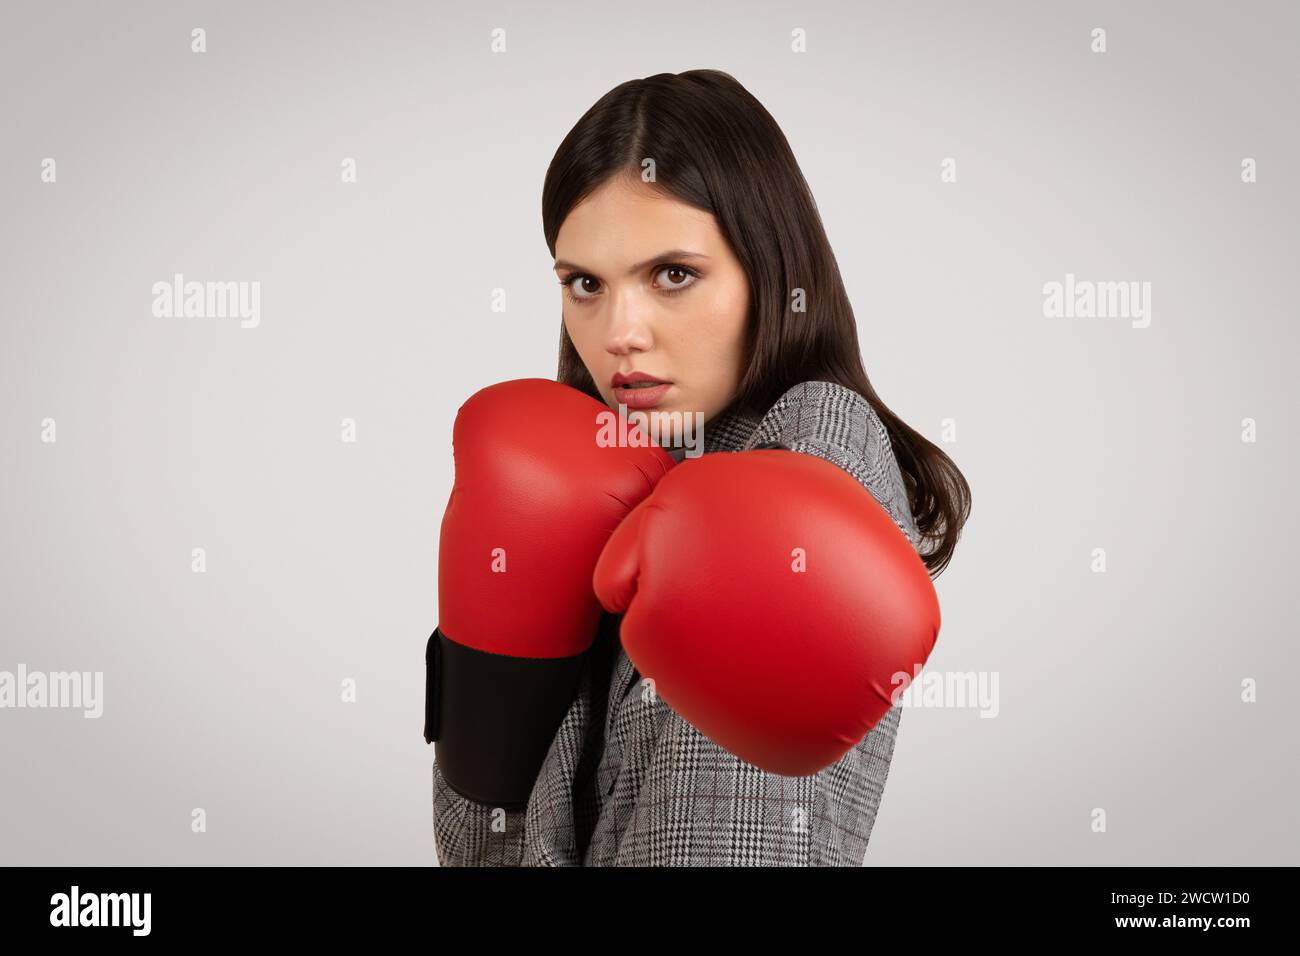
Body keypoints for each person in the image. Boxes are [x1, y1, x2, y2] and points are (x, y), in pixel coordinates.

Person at [427, 69, 970, 866]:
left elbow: (721, 840)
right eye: (585, 284)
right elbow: (483, 850)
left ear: (771, 270)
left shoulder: (808, 445)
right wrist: (487, 697)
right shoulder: (599, 472)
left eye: (672, 275)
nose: (620, 332)